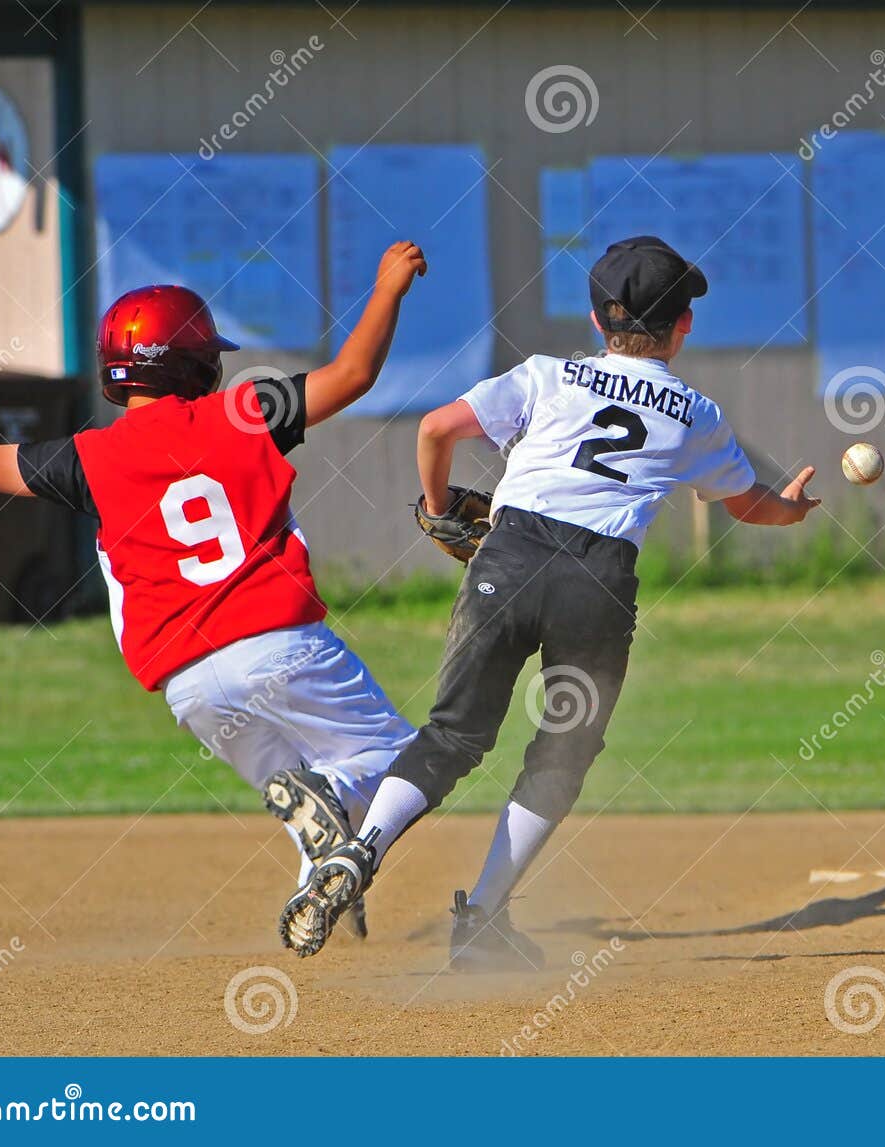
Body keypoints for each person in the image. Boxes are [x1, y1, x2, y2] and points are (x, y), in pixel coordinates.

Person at [279, 235, 822, 965]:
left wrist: (441, 510)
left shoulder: (547, 375)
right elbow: (749, 505)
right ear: (682, 327)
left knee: (451, 736)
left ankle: (363, 848)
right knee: (561, 753)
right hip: (597, 587)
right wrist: (788, 507)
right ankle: (482, 917)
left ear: (598, 322)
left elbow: (435, 427)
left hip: (509, 556)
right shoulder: (695, 412)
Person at [0, 241, 431, 933]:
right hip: (278, 643)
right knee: (406, 761)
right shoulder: (241, 413)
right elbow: (355, 372)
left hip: (190, 685)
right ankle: (336, 814)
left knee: (309, 790)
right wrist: (389, 285)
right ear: (196, 364)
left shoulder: (87, 457)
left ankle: (326, 884)